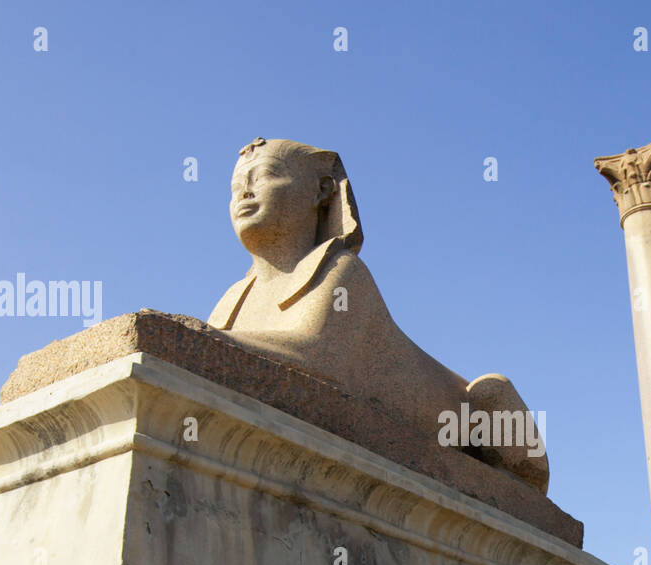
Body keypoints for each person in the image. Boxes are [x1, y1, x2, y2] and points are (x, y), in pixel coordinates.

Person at [208, 138, 548, 493]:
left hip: (460, 421)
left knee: (492, 388)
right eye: (235, 186)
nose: (244, 193)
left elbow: (319, 359)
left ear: (321, 191)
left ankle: (512, 484)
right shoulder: (233, 299)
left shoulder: (341, 273)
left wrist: (203, 340)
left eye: (264, 176)